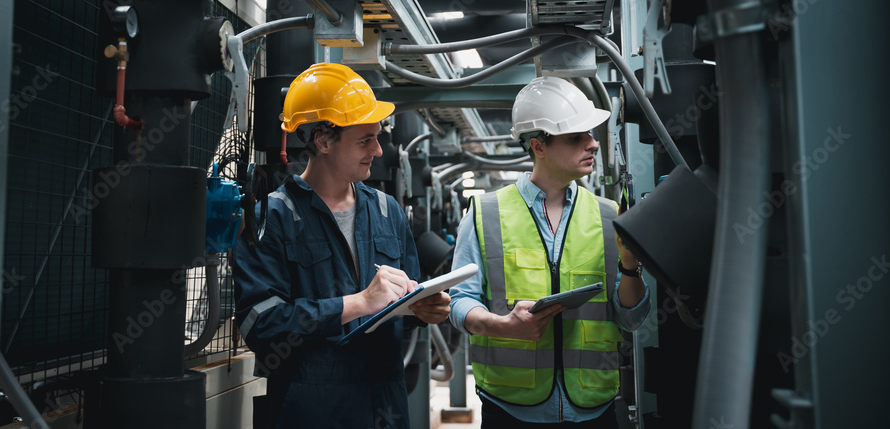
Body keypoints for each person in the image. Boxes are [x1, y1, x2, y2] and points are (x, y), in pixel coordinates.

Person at [233, 62, 451, 429]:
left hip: (386, 408)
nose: (378, 151)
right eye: (365, 140)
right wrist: (358, 303)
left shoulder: (386, 211)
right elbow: (260, 324)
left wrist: (422, 310)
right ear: (323, 140)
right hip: (312, 413)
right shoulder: (272, 217)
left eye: (377, 137)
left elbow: (402, 304)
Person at [448, 76, 650, 428]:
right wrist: (502, 326)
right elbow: (458, 303)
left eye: (590, 134)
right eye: (576, 137)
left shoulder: (608, 217)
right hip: (510, 408)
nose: (593, 144)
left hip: (593, 408)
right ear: (539, 146)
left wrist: (630, 267)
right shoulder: (485, 213)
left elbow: (630, 320)